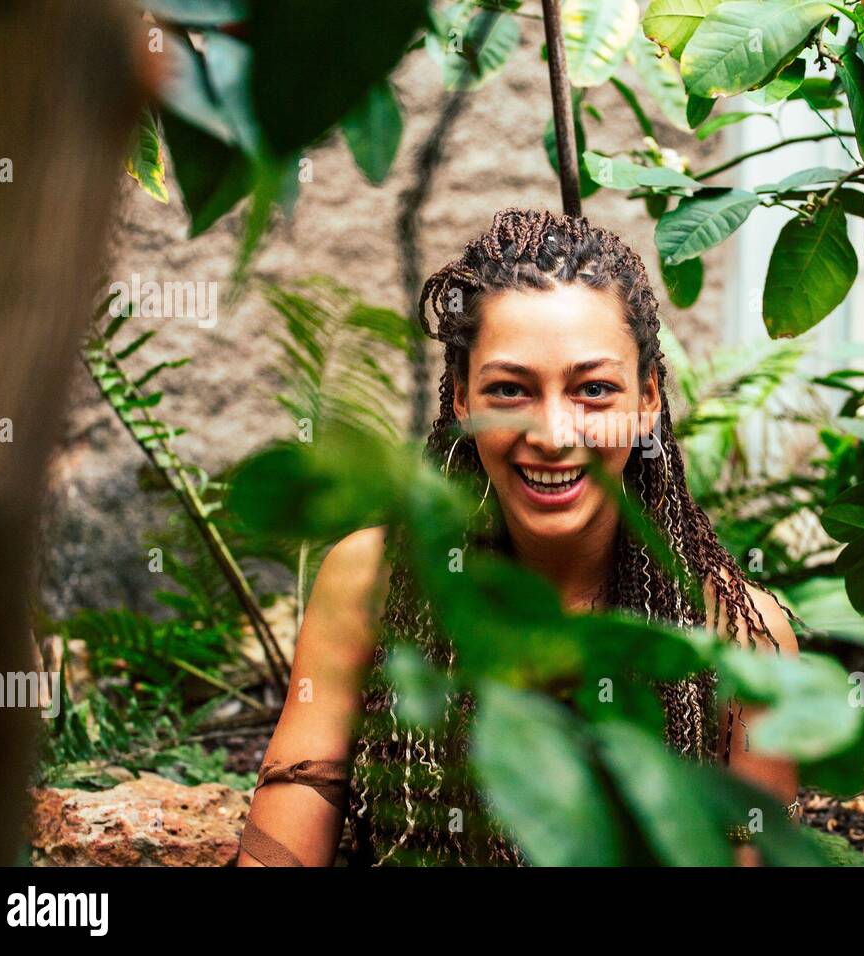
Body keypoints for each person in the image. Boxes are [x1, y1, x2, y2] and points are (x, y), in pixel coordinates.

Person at [237, 209, 800, 867]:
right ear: (462, 400)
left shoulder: (738, 639)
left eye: (593, 389)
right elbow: (295, 807)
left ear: (647, 399)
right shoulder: (372, 580)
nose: (554, 434)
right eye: (510, 390)